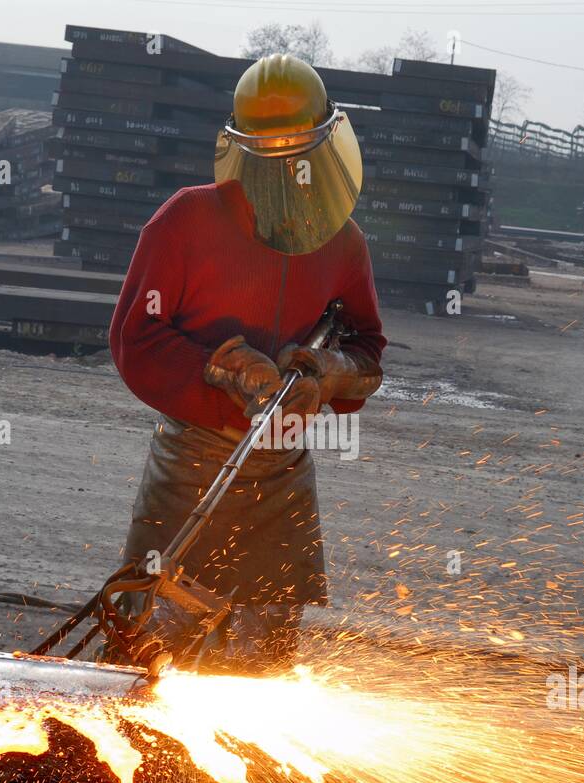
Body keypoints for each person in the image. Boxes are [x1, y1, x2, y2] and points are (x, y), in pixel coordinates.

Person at [106, 53, 386, 670]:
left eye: (296, 152)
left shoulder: (343, 243)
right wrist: (225, 369)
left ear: (325, 145)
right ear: (238, 148)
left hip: (281, 473)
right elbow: (136, 337)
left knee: (264, 661)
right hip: (191, 464)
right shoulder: (185, 222)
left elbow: (368, 349)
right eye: (269, 154)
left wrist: (330, 374)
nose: (285, 169)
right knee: (149, 644)